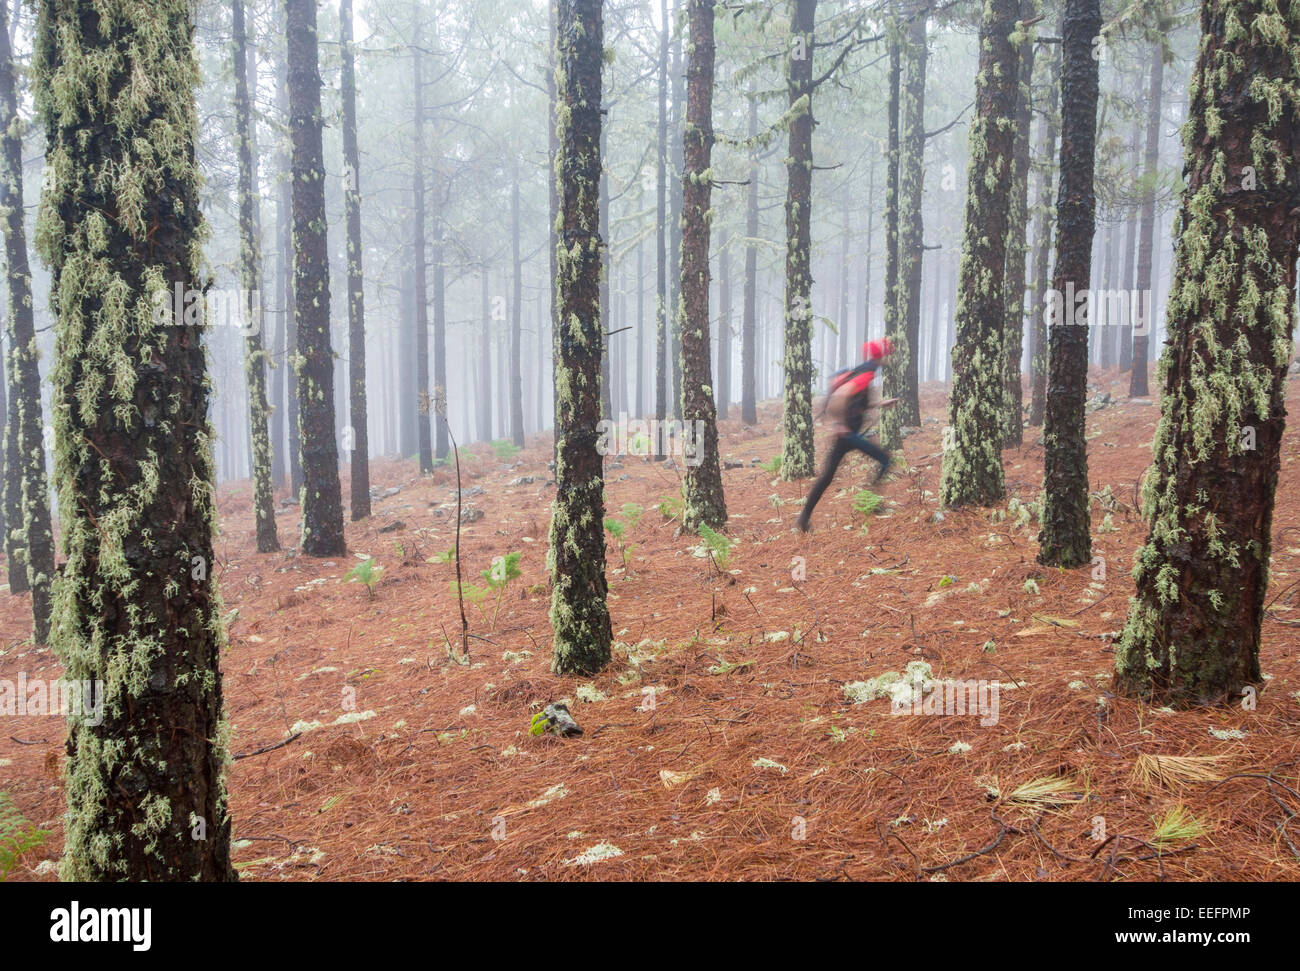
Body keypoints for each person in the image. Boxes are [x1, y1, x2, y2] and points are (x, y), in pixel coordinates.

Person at [796, 339, 896, 533]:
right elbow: (840, 396)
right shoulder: (866, 373)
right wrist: (840, 424)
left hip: (847, 435)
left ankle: (804, 517)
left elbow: (857, 402)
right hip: (849, 434)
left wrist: (881, 404)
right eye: (887, 354)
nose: (888, 358)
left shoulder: (862, 371)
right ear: (881, 356)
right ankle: (872, 503)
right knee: (885, 460)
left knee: (826, 477)